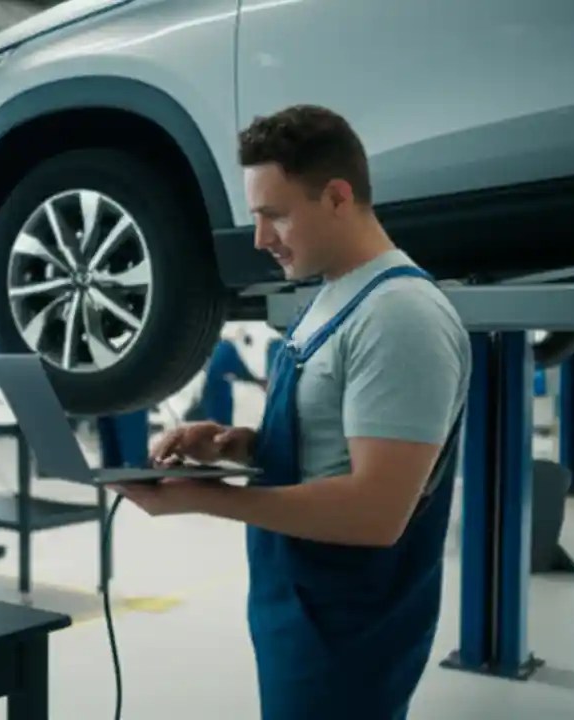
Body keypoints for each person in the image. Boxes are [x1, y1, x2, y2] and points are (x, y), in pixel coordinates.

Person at [113, 106, 472, 719]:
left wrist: (203, 498)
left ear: (337, 197)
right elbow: (330, 446)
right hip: (299, 602)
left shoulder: (400, 316)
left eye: (275, 215)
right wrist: (236, 445)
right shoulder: (332, 297)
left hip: (351, 626)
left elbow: (377, 511)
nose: (260, 238)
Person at [197, 332, 265, 426]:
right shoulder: (224, 347)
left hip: (211, 396)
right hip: (219, 396)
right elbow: (239, 369)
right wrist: (256, 381)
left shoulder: (211, 350)